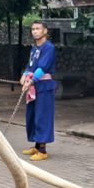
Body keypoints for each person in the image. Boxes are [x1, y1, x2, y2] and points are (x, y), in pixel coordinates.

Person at [20, 20, 57, 161]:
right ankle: (36, 145)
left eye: (38, 29)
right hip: (33, 87)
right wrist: (24, 75)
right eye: (33, 29)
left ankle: (42, 150)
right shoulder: (34, 49)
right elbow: (30, 66)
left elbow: (42, 67)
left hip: (44, 86)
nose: (35, 31)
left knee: (43, 116)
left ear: (45, 31)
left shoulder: (49, 48)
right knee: (33, 115)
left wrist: (31, 80)